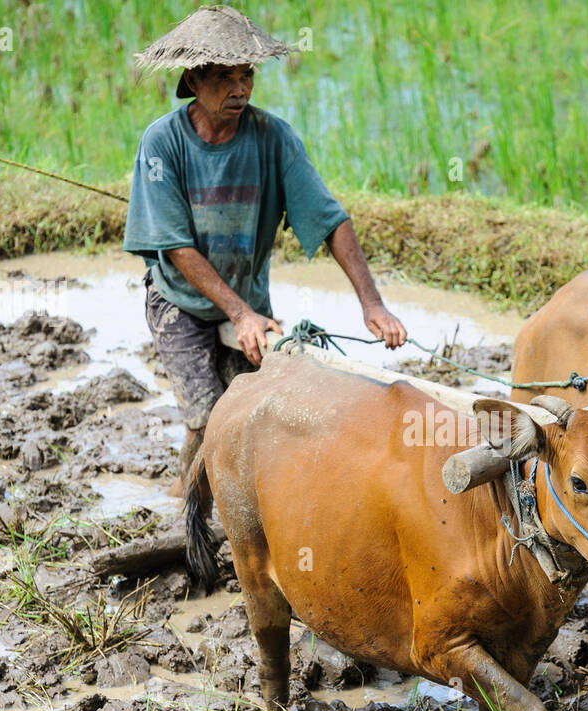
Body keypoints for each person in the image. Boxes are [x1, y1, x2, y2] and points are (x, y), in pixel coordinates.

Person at [124, 6, 407, 493]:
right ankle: (186, 510)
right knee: (207, 415)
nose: (240, 89)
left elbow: (329, 219)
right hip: (179, 301)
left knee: (253, 413)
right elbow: (175, 247)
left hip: (248, 303)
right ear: (193, 78)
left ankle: (244, 511)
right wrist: (239, 314)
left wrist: (372, 303)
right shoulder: (162, 143)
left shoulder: (273, 139)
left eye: (247, 75)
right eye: (225, 78)